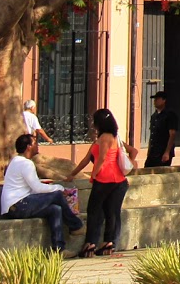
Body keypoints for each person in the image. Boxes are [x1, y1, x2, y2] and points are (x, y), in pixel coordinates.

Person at [66, 108, 133, 257]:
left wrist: (94, 174)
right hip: (118, 180)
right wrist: (73, 174)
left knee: (94, 211)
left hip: (105, 178)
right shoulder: (113, 137)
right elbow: (85, 159)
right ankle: (109, 242)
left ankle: (91, 243)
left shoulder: (105, 138)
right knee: (111, 212)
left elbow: (102, 158)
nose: (93, 124)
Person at [1, 134, 83, 252]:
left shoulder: (15, 161)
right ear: (28, 147)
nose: (37, 146)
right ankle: (76, 226)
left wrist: (48, 188)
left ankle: (59, 249)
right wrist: (59, 188)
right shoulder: (25, 163)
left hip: (16, 206)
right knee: (57, 195)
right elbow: (37, 188)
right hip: (19, 205)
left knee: (55, 209)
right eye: (35, 143)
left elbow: (33, 187)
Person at [144, 91, 179, 168]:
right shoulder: (154, 116)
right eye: (155, 99)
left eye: (157, 99)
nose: (155, 101)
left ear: (164, 100)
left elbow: (172, 134)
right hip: (153, 152)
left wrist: (167, 152)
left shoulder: (170, 115)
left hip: (162, 151)